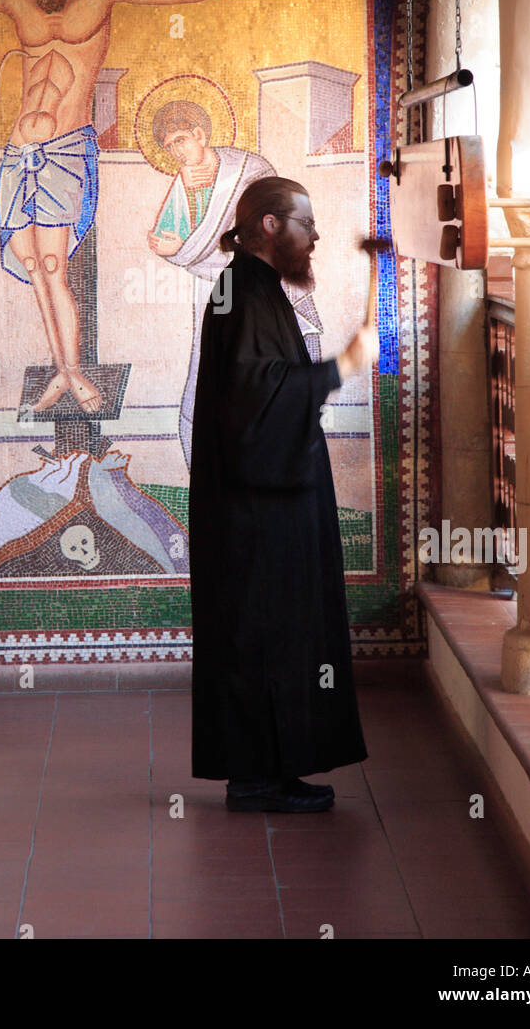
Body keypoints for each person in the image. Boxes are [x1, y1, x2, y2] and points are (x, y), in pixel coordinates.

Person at [0, 0, 293, 413]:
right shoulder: (17, 3)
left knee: (53, 266)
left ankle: (74, 372)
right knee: (31, 266)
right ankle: (60, 370)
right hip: (17, 153)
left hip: (65, 152)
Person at [188, 176, 378, 813]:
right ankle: (258, 777)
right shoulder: (243, 291)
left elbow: (266, 387)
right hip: (257, 506)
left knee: (274, 630)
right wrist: (343, 366)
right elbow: (257, 395)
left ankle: (274, 766)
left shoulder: (252, 287)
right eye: (306, 222)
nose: (316, 234)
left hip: (263, 497)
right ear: (270, 225)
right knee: (263, 630)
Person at [146, 98, 274, 466]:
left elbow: (266, 238)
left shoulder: (250, 171)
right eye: (169, 146)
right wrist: (168, 244)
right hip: (210, 288)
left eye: (180, 140)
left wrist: (181, 249)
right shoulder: (184, 179)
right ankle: (211, 457)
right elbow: (170, 232)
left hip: (252, 287)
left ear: (200, 134)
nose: (176, 151)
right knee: (209, 365)